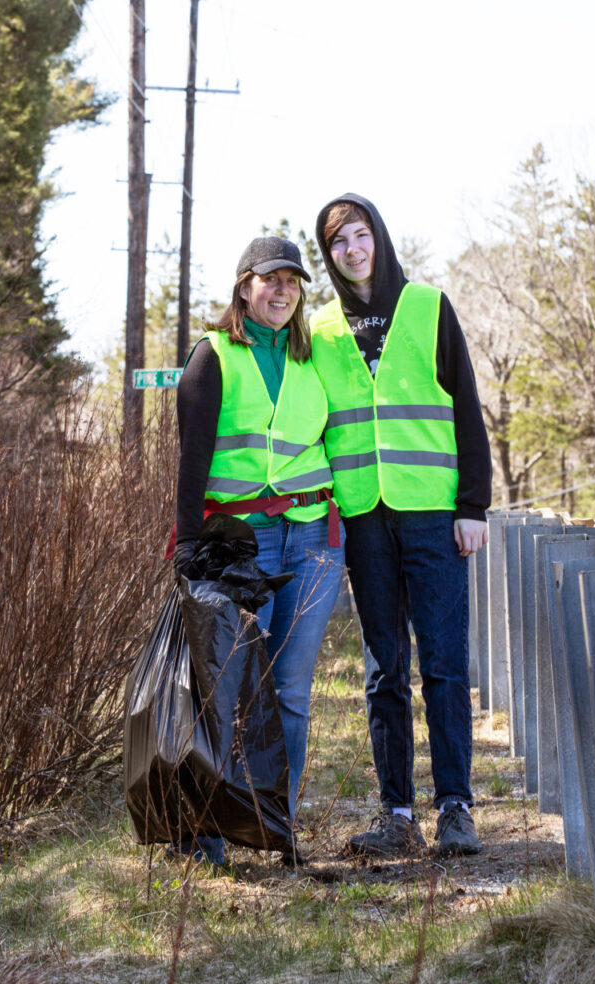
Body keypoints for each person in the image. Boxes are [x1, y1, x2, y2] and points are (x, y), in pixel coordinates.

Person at [308, 194, 492, 858]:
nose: (352, 249)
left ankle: (456, 809)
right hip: (364, 518)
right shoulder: (320, 330)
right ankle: (397, 816)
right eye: (338, 242)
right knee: (385, 669)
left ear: (379, 238)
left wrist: (473, 506)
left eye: (360, 235)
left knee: (444, 663)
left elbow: (467, 407)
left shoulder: (428, 307)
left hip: (433, 514)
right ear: (328, 255)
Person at [169, 236, 348, 865]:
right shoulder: (212, 356)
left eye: (292, 282)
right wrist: (186, 544)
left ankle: (277, 825)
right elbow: (191, 460)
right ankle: (206, 832)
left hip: (314, 537)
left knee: (291, 690)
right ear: (244, 287)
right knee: (227, 687)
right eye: (271, 280)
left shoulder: (312, 358)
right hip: (239, 542)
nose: (282, 291)